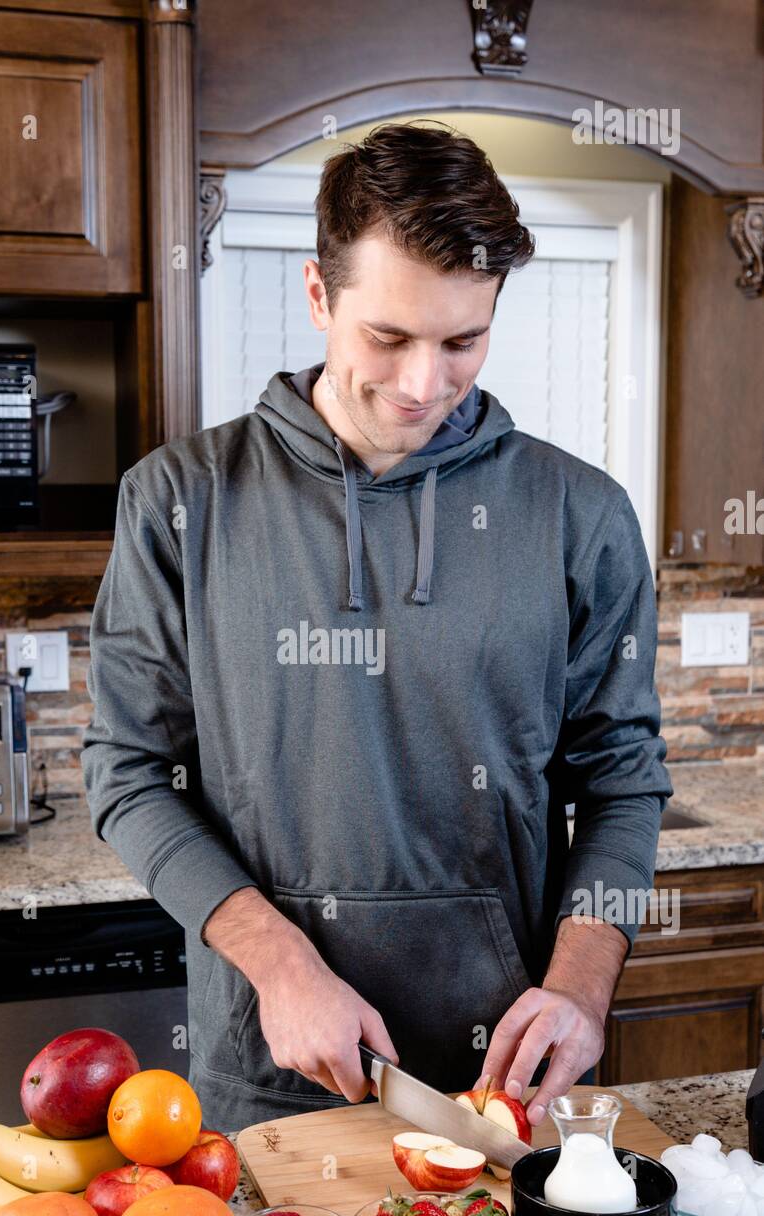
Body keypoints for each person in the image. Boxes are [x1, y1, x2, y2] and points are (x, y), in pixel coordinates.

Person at [82, 121, 673, 1135]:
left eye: (461, 341)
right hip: (268, 1071)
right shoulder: (179, 500)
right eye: (387, 337)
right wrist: (281, 966)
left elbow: (621, 780)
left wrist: (579, 986)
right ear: (318, 298)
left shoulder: (581, 515)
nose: (420, 385)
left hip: (501, 1076)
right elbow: (127, 774)